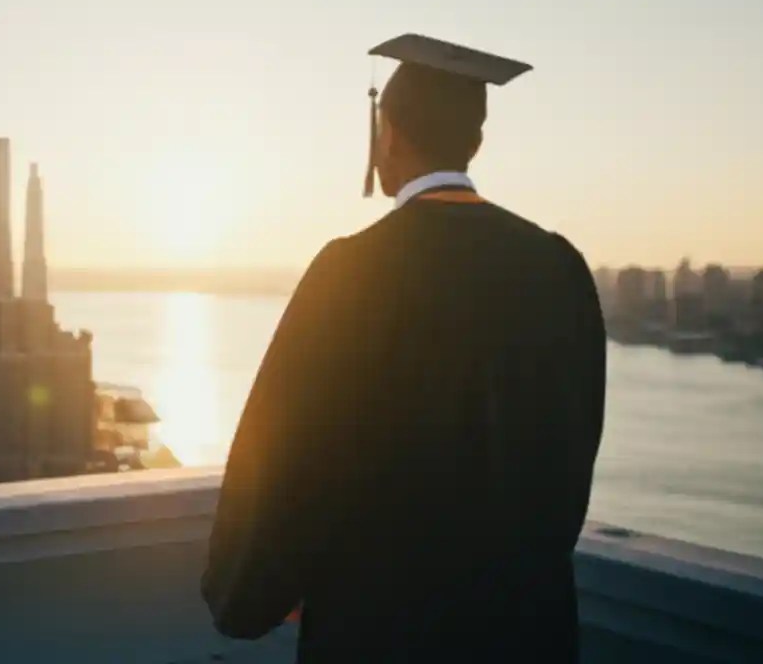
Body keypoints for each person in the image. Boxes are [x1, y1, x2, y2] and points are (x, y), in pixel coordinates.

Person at [201, 34, 606, 662]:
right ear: (475, 142)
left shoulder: (352, 271)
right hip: (523, 627)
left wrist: (256, 590)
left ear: (387, 133)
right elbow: (573, 450)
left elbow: (284, 452)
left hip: (382, 627)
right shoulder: (556, 266)